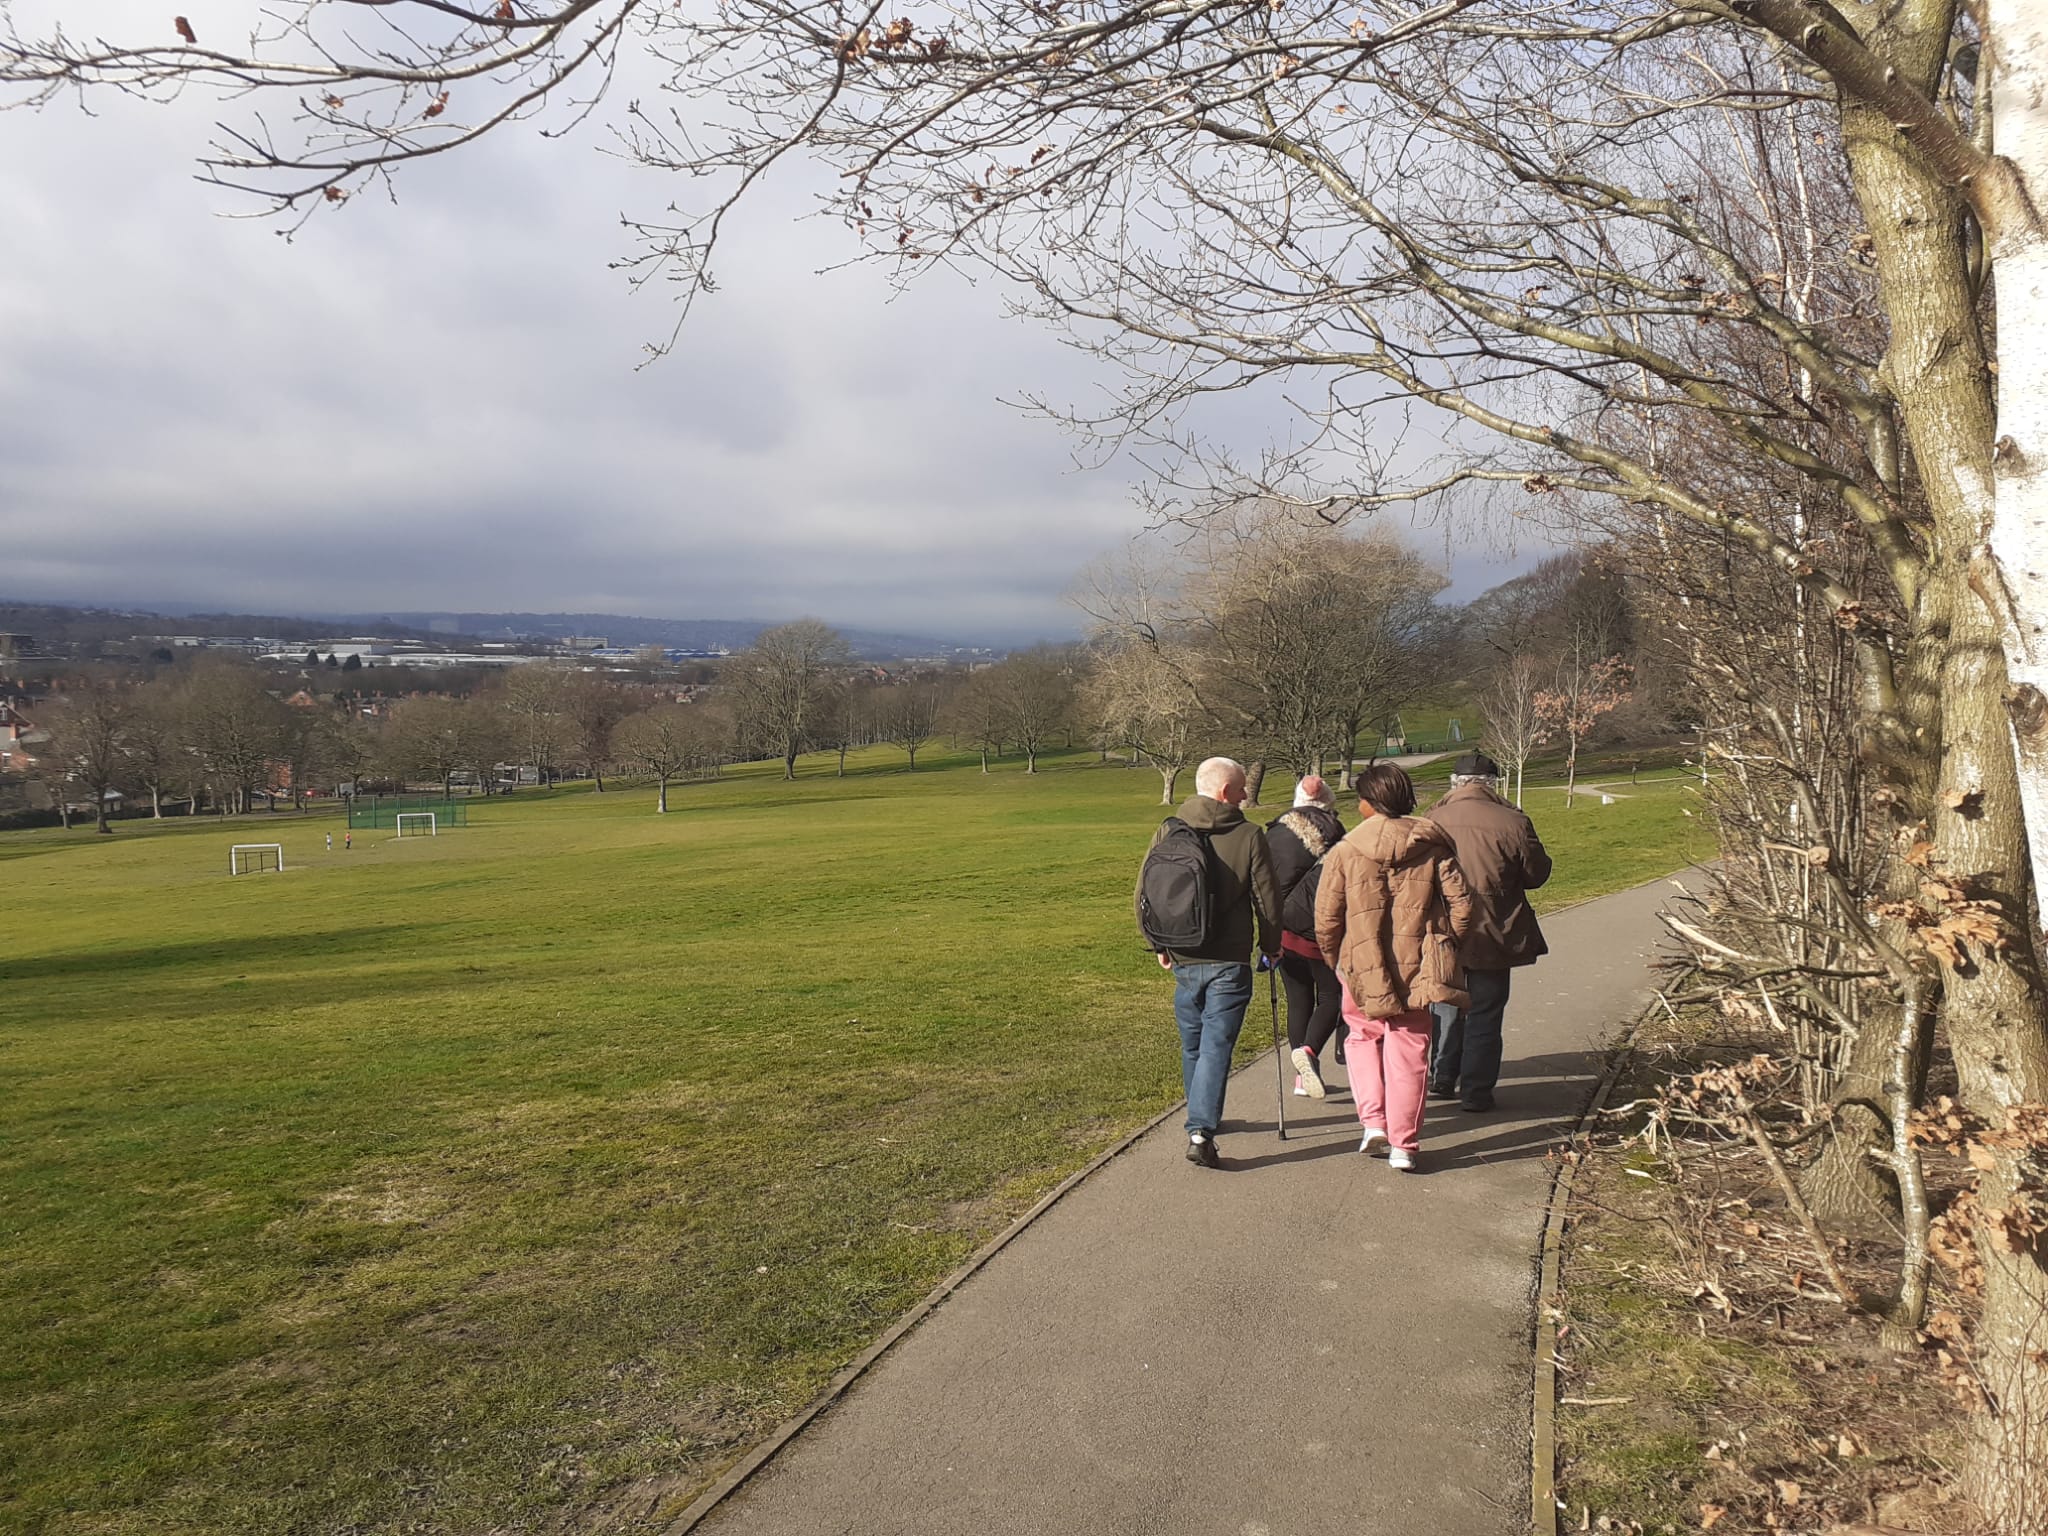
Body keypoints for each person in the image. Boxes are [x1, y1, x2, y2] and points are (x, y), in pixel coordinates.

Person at [1315, 762, 1473, 1172]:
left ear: (1367, 803)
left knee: (1362, 1037)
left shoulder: (1345, 850)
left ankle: (1373, 1123)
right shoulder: (1434, 845)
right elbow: (1463, 905)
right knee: (1410, 1048)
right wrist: (1446, 942)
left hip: (1360, 962)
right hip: (1421, 962)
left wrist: (1337, 960)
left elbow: (1327, 917)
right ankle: (1404, 1143)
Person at [1141, 756, 1281, 1168]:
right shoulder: (1249, 835)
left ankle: (1198, 1116)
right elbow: (1267, 900)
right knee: (1216, 1043)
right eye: (1240, 790)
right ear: (1224, 793)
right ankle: (1201, 1129)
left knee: (1193, 1042)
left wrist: (1159, 944)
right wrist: (1271, 946)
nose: (1244, 795)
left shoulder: (1169, 829)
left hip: (1182, 953)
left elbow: (1144, 893)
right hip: (1228, 959)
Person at [1424, 750, 1553, 1112]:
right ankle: (1476, 1091)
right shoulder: (1512, 820)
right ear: (1492, 784)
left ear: (1455, 783)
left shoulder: (1432, 819)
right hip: (1496, 926)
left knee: (1445, 1001)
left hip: (1444, 926)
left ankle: (1442, 1076)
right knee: (1485, 1011)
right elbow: (1536, 874)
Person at [1266, 774, 1347, 1098]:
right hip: (1321, 930)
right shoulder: (1336, 832)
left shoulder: (1275, 831)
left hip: (1284, 930)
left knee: (1298, 1000)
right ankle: (1310, 1053)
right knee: (1332, 997)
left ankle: (1302, 1078)